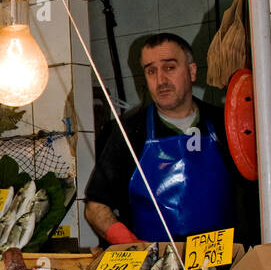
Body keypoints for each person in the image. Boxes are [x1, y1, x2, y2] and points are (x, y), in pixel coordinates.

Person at [84, 33, 251, 244]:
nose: (160, 80)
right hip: (158, 267)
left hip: (223, 262)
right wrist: (133, 247)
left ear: (191, 71)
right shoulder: (128, 133)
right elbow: (96, 206)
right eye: (151, 71)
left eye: (169, 67)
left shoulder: (226, 124)